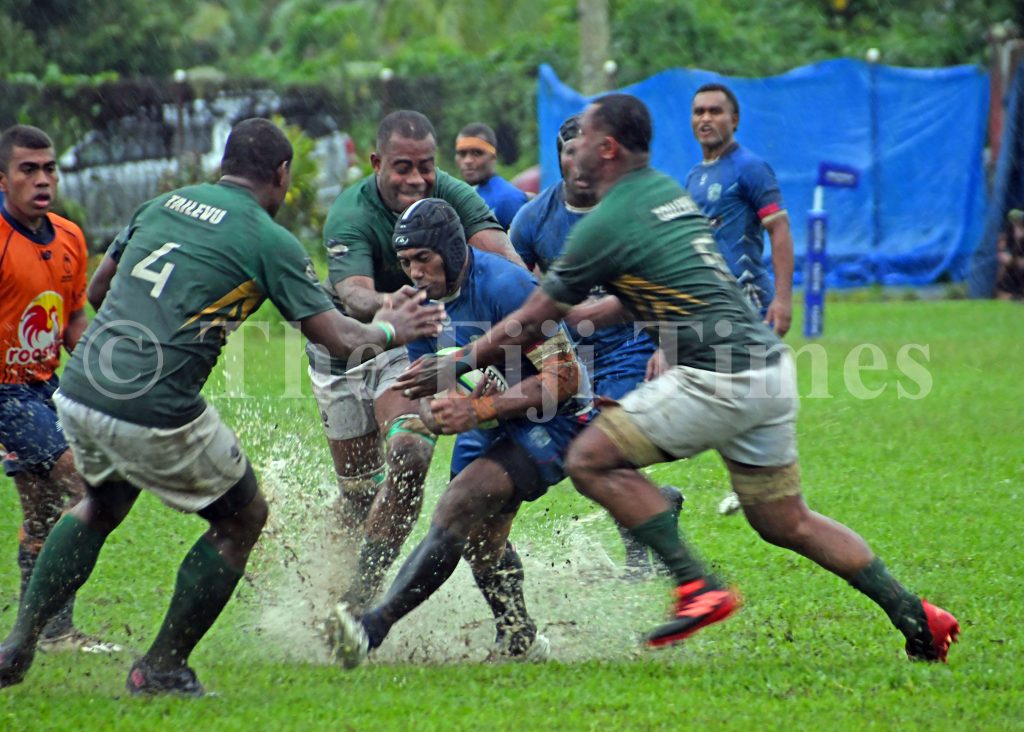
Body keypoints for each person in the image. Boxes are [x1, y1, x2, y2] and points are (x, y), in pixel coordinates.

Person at [396, 94, 960, 664]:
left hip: (719, 375)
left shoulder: (605, 221)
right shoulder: (667, 193)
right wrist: (583, 315)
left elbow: (532, 316)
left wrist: (462, 360)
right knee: (787, 521)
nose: (572, 151)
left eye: (583, 140)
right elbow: (633, 298)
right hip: (769, 370)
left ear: (607, 148)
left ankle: (697, 583)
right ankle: (919, 617)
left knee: (589, 457)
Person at [0, 118, 444, 695]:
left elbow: (100, 290)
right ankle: (160, 666)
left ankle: (18, 644)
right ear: (282, 176)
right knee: (242, 518)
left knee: (102, 503)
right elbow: (334, 338)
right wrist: (392, 328)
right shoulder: (268, 238)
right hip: (154, 402)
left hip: (80, 388)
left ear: (223, 165)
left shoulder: (164, 203)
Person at [325, 197, 594, 667]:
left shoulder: (508, 286)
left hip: (555, 418)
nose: (415, 274)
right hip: (490, 415)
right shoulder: (422, 305)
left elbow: (564, 379)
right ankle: (521, 640)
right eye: (406, 263)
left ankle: (372, 627)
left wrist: (481, 405)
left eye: (423, 259)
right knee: (480, 539)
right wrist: (435, 413)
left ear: (450, 250)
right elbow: (430, 382)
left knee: (458, 504)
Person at [312, 110, 524, 615]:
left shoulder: (450, 193)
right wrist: (395, 306)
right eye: (403, 167)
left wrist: (533, 307)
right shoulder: (352, 212)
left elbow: (501, 254)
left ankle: (360, 600)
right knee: (359, 493)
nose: (416, 179)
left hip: (406, 347)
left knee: (408, 457)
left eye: (425, 166)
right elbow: (354, 294)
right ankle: (321, 577)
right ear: (377, 163)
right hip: (344, 349)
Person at [509, 114, 683, 578]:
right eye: (569, 151)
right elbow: (513, 290)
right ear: (560, 156)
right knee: (592, 455)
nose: (578, 161)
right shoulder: (533, 219)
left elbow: (664, 281)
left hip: (629, 346)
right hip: (571, 355)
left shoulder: (628, 211)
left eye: (586, 150)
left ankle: (645, 555)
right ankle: (657, 513)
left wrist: (664, 348)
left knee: (601, 448)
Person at [0, 124, 119, 654]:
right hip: (5, 394)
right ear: (2, 178)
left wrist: (109, 367)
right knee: (84, 482)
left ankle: (50, 632)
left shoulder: (70, 236)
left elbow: (71, 321)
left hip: (46, 387)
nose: (42, 179)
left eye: (49, 168)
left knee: (44, 511)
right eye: (28, 169)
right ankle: (42, 631)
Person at [685, 83, 796, 516]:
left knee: (745, 395)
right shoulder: (694, 176)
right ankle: (748, 482)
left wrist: (783, 299)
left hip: (747, 301)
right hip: (706, 308)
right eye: (698, 111)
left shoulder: (750, 168)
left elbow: (779, 231)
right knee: (720, 394)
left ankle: (768, 486)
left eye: (715, 111)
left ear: (735, 119)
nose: (705, 119)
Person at [455, 122, 528, 230]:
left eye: (477, 153)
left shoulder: (508, 199)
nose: (468, 160)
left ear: (493, 156)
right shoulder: (462, 197)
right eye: (462, 154)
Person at [995, 208, 1024, 300]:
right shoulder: (1010, 235)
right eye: (1015, 225)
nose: (1017, 229)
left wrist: (1012, 260)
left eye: (1020, 226)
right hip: (1011, 282)